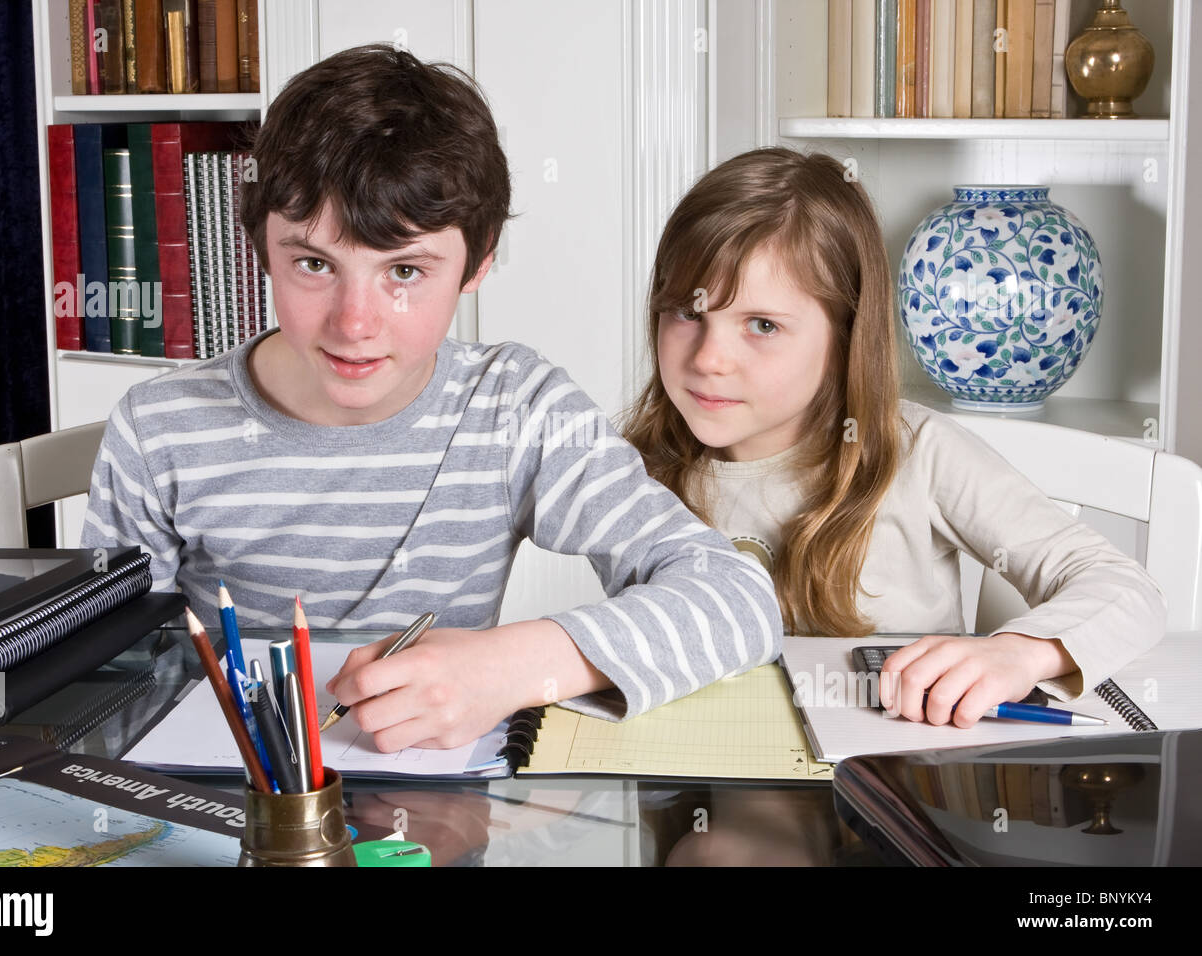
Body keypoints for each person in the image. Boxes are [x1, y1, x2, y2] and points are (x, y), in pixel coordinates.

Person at [79, 45, 783, 754]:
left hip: (437, 824)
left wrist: (510, 667)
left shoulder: (517, 409)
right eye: (314, 263)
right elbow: (107, 681)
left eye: (406, 270)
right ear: (262, 246)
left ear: (477, 263)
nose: (355, 324)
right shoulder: (156, 428)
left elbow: (737, 600)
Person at [621, 146, 1166, 731]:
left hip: (898, 787)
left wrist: (1021, 652)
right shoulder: (628, 472)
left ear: (846, 336)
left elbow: (1124, 588)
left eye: (762, 325)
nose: (709, 359)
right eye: (685, 311)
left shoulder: (920, 452)